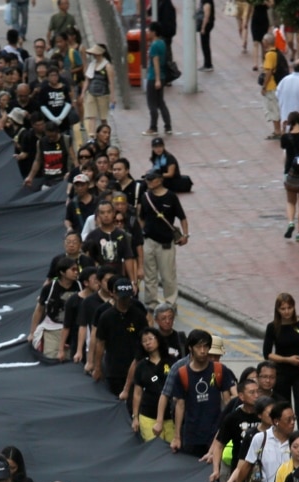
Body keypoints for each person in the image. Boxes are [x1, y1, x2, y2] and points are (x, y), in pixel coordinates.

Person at [159, 330, 237, 456]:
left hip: (215, 433)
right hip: (191, 434)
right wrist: (177, 437)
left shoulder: (219, 370)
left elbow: (228, 400)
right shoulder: (182, 373)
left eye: (206, 346)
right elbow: (180, 405)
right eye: (198, 346)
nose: (202, 351)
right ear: (190, 348)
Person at [139, 168, 188, 306]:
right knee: (150, 277)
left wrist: (185, 235)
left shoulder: (171, 197)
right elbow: (141, 218)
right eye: (147, 179)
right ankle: (151, 303)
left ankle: (170, 304)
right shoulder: (145, 197)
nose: (148, 181)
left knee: (168, 277)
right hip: (148, 241)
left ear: (160, 180)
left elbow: (182, 217)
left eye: (151, 178)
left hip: (166, 243)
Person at [264, 293, 299, 428]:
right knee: (284, 410)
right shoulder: (272, 327)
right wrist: (287, 360)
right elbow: (267, 354)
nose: (286, 312)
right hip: (282, 372)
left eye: (289, 308)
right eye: (283, 309)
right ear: (278, 310)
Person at [132, 327, 174, 441]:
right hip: (148, 415)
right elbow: (137, 393)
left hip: (171, 416)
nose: (147, 343)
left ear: (158, 339)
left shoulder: (172, 361)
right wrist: (135, 417)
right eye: (144, 341)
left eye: (150, 339)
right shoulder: (141, 366)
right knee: (154, 451)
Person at [143, 22, 172, 136]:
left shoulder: (154, 45)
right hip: (163, 76)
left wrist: (157, 79)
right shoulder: (162, 43)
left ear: (154, 32)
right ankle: (168, 126)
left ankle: (153, 127)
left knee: (152, 104)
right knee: (161, 102)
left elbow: (155, 62)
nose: (148, 33)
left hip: (153, 77)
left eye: (149, 30)